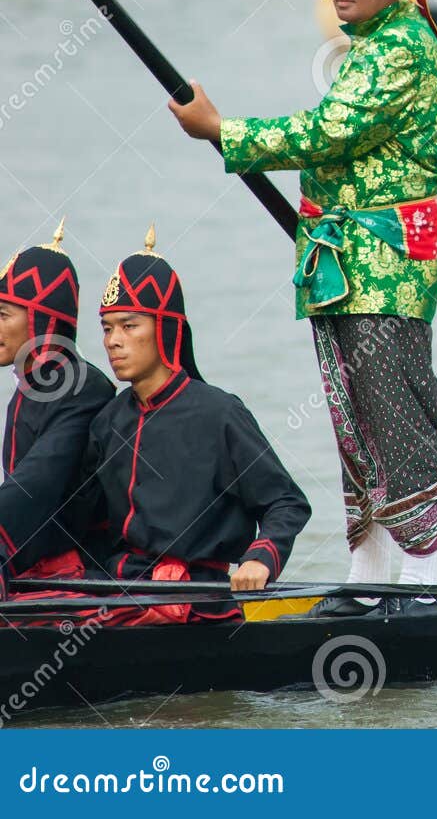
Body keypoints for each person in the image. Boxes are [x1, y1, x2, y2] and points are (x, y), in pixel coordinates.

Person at [167, 0, 437, 619]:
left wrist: (224, 131)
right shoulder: (364, 48)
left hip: (387, 266)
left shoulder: (404, 47)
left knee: (397, 421)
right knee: (354, 425)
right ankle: (369, 575)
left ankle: (421, 585)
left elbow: (329, 132)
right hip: (337, 267)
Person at [90, 232, 310, 625]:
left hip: (200, 604)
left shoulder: (218, 412)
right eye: (107, 329)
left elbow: (285, 502)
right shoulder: (109, 421)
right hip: (117, 593)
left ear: (164, 328)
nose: (114, 341)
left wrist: (260, 558)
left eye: (128, 325)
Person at [0, 222, 115, 603]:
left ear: (41, 320)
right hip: (31, 563)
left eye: (3, 315)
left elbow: (36, 485)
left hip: (85, 572)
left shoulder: (85, 387)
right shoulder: (28, 389)